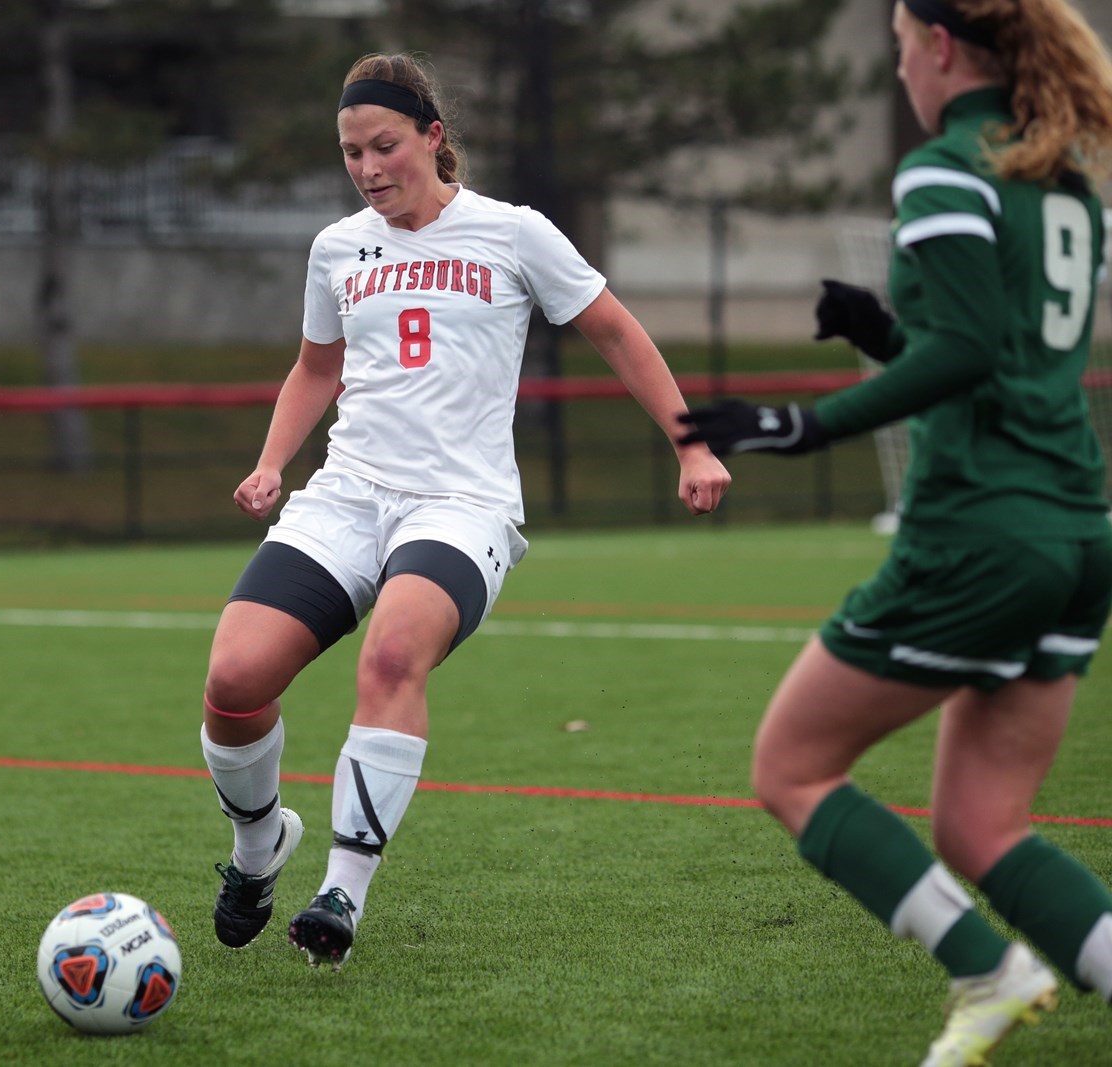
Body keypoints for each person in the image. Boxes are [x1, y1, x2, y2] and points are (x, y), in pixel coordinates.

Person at [200, 51, 731, 970]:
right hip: (348, 496)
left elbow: (614, 329)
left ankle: (342, 892)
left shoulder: (514, 234)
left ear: (433, 138)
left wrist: (690, 441)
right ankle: (259, 849)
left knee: (395, 651)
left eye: (385, 146)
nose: (367, 169)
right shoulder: (336, 248)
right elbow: (317, 368)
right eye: (351, 153)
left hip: (462, 505)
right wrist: (271, 462)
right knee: (235, 681)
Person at [677, 1, 1112, 1063]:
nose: (901, 70)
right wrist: (883, 331)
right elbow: (992, 347)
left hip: (981, 530)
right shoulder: (1061, 178)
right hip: (1078, 526)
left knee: (790, 766)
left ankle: (989, 970)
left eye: (895, 49)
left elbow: (964, 354)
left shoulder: (944, 167)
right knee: (981, 825)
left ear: (934, 46)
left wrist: (798, 423)